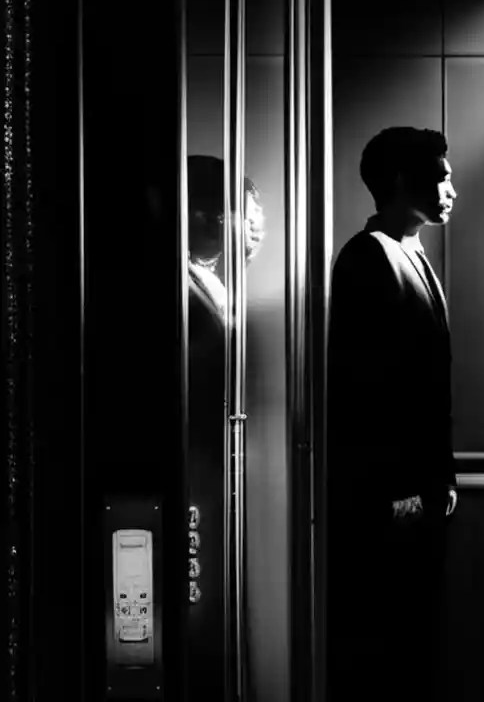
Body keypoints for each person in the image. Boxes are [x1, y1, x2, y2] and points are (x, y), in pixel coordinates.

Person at [325, 126, 460, 700]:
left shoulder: (410, 253)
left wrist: (441, 475)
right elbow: (365, 389)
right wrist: (402, 491)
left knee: (415, 632)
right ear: (404, 181)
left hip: (418, 491)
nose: (452, 185)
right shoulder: (367, 256)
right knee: (389, 640)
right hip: (391, 498)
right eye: (442, 174)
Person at [184, 154, 264, 702]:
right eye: (248, 219)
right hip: (196, 468)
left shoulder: (209, 283)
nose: (256, 235)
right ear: (208, 216)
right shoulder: (183, 290)